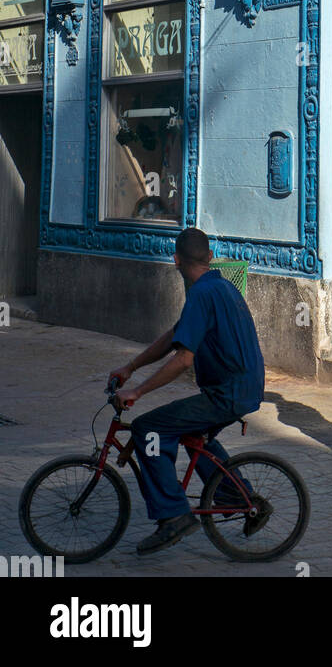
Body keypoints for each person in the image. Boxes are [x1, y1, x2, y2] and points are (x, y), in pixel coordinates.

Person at [108, 226, 266, 555]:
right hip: (243, 388)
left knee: (148, 428)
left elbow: (183, 359)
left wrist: (138, 391)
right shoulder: (219, 286)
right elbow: (174, 336)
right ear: (210, 256)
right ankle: (240, 498)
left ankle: (173, 515)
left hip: (227, 393)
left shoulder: (201, 294)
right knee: (197, 437)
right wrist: (131, 367)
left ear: (176, 260)